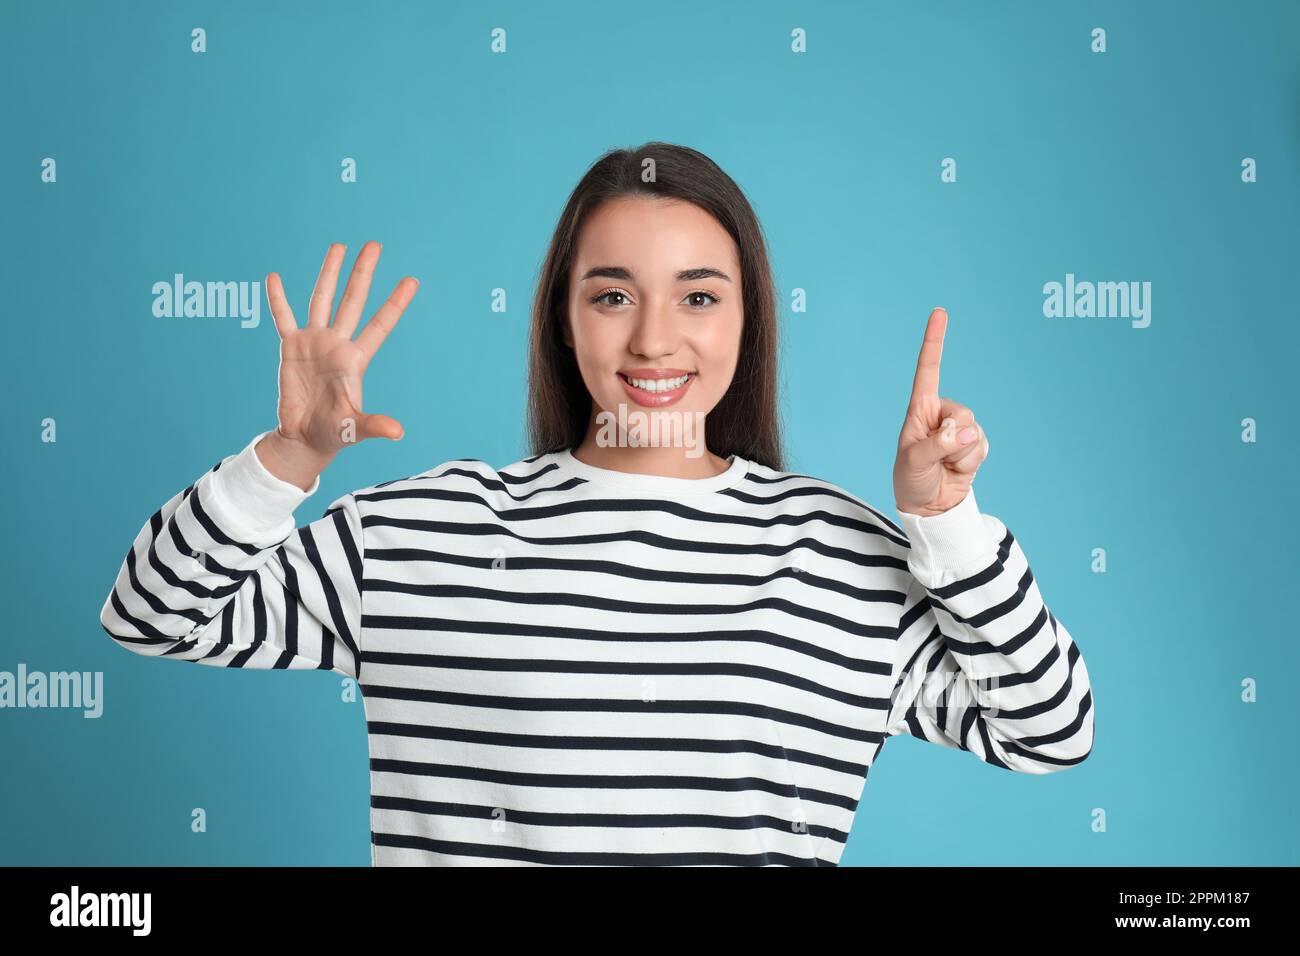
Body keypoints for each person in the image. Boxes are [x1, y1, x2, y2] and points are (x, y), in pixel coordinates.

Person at [100, 141, 1095, 866]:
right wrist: (286, 458)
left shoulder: (837, 553)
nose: (655, 339)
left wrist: (943, 523)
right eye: (612, 295)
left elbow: (1048, 730)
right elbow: (151, 613)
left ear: (749, 321)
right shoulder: (422, 535)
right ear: (562, 319)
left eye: (699, 296)